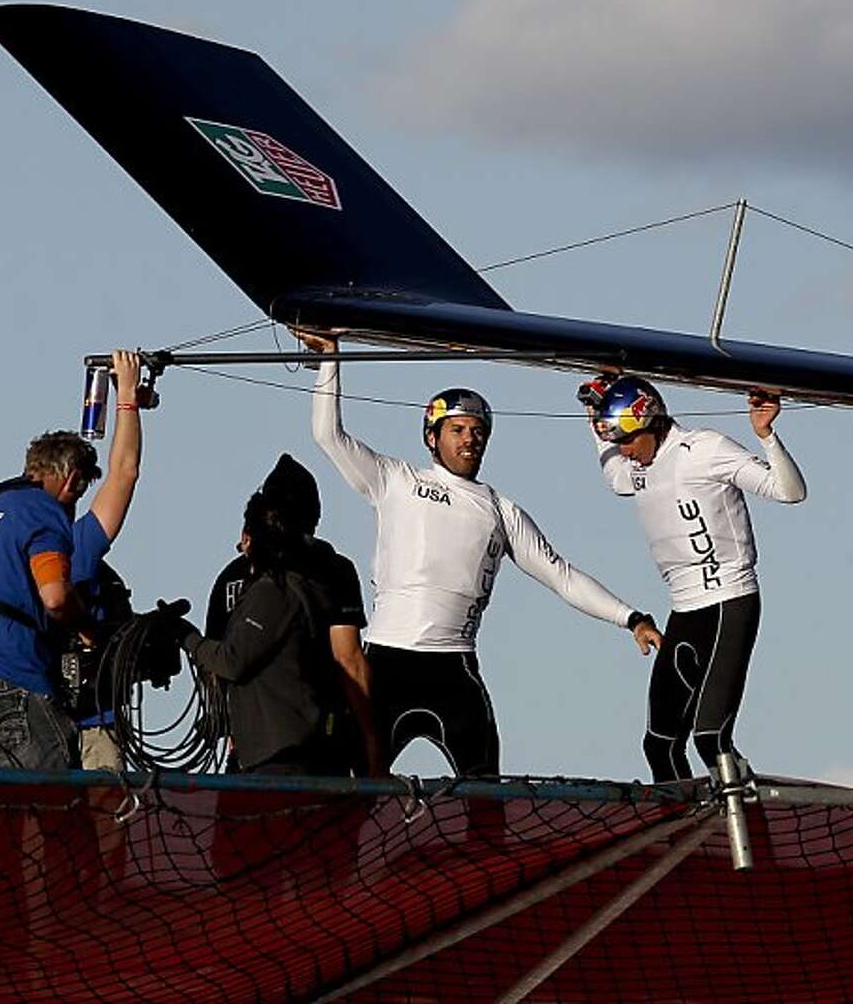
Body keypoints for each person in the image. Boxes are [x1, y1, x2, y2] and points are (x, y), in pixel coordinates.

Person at [295, 330, 660, 777]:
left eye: (479, 431)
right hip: (389, 663)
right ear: (433, 437)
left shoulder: (500, 510)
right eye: (458, 430)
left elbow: (560, 575)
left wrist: (631, 618)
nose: (471, 439)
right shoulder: (395, 480)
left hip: (455, 670)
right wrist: (331, 359)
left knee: (487, 797)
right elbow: (328, 435)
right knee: (358, 796)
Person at [579, 375, 807, 783]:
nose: (624, 452)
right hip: (684, 612)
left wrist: (766, 435)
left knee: (709, 738)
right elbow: (615, 477)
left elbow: (789, 492)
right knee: (659, 743)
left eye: (628, 441)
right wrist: (593, 410)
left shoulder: (703, 449)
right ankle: (689, 839)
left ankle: (750, 830)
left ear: (652, 423)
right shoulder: (636, 464)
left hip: (729, 603)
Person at [206, 454, 382, 775]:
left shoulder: (230, 576)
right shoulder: (332, 568)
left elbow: (216, 666)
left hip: (248, 751)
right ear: (314, 515)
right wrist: (372, 746)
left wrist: (230, 728)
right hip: (318, 747)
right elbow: (349, 660)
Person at [0, 431, 101, 769]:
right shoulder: (41, 510)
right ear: (73, 480)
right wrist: (89, 628)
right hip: (10, 677)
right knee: (55, 808)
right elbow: (55, 597)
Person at [173, 489, 355, 775]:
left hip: (280, 757)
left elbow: (233, 661)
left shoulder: (273, 591)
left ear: (249, 538)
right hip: (285, 751)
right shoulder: (298, 587)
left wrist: (185, 636)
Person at [71, 350, 148, 772]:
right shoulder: (73, 546)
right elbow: (124, 471)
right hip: (90, 722)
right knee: (104, 826)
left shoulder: (2, 549)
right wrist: (127, 399)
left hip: (32, 718)